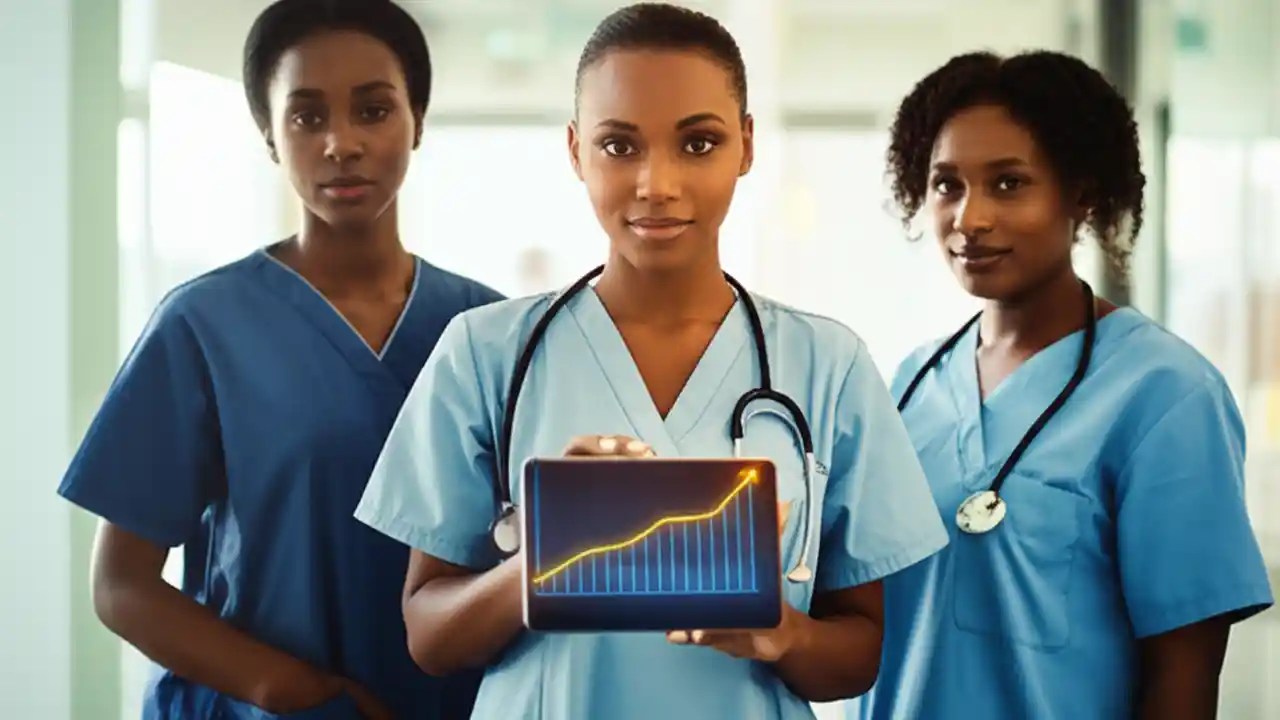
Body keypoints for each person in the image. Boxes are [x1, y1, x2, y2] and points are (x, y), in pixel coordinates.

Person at [353, 3, 948, 719]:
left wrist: (780, 632)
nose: (656, 183)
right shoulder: (484, 354)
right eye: (619, 146)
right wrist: (543, 558)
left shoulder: (828, 365)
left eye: (698, 144)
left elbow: (858, 656)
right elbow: (430, 638)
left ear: (746, 146)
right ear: (575, 151)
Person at [57, 1, 502, 717]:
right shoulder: (203, 325)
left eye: (373, 109)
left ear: (417, 119)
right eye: (306, 117)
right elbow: (120, 586)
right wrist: (291, 692)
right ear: (269, 136)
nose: (340, 143)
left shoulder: (488, 329)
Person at [851, 50, 1275, 720]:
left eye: (1009, 183)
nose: (970, 217)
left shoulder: (1165, 395)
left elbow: (1183, 677)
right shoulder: (912, 381)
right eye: (947, 184)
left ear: (1081, 193)